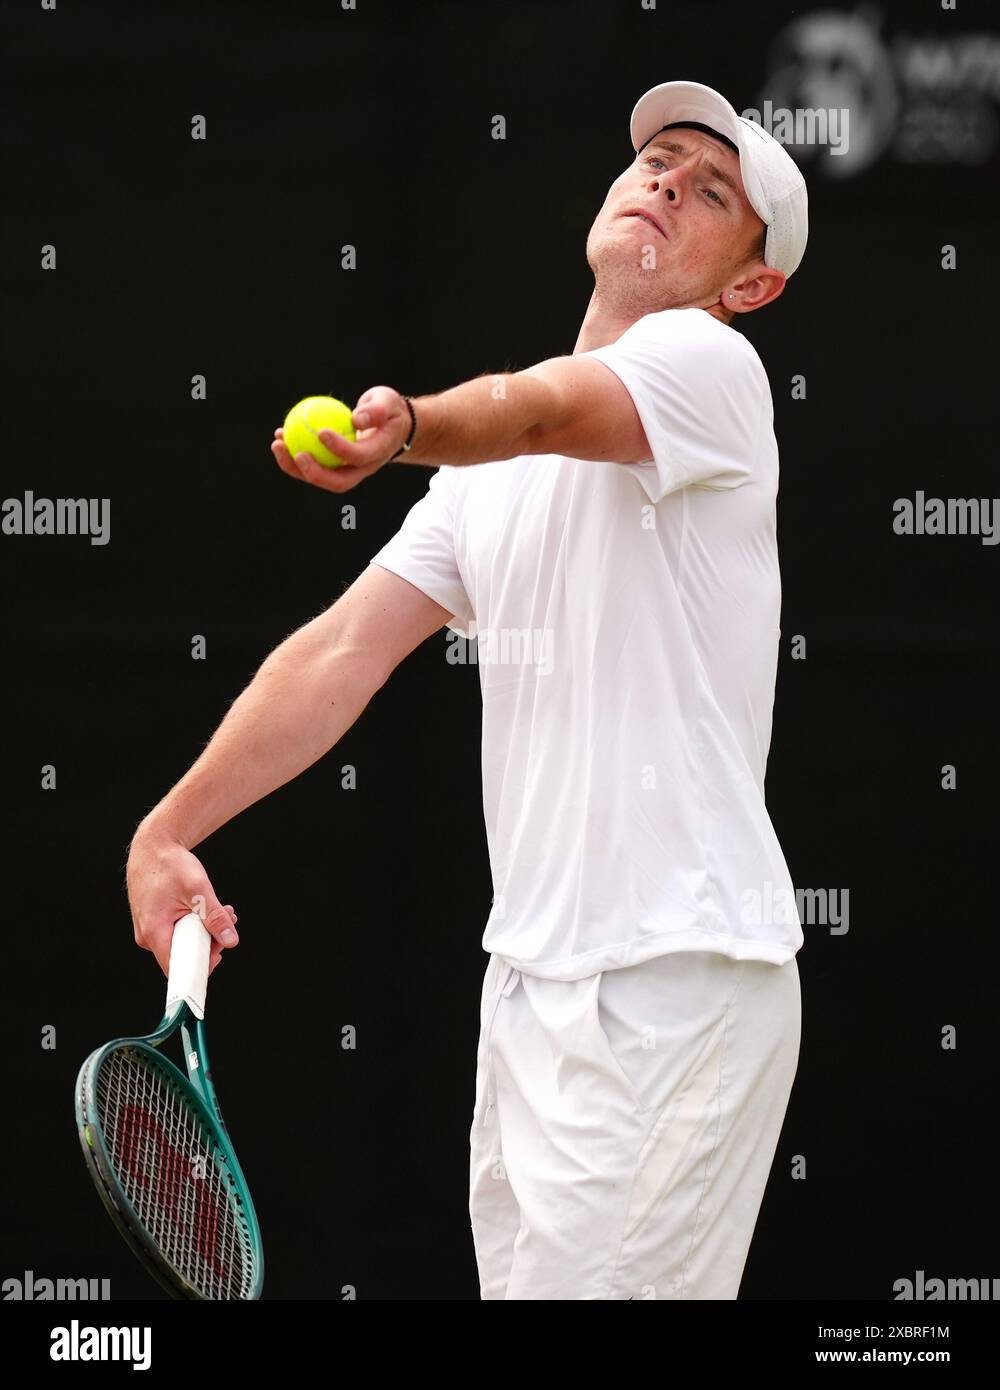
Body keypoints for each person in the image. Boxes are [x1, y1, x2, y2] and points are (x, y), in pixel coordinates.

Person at [127, 80, 808, 1300]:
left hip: (677, 978)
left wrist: (410, 426)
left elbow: (541, 408)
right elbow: (339, 651)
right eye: (654, 162)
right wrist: (169, 828)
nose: (663, 184)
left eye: (711, 193)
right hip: (530, 997)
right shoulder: (487, 479)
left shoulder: (712, 368)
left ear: (747, 285)